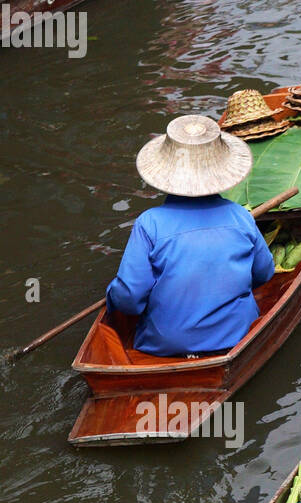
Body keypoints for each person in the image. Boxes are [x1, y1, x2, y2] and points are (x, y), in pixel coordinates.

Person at [106, 115, 275, 356]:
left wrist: (112, 294)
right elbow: (263, 272)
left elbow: (130, 299)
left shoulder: (149, 223)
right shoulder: (240, 216)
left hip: (164, 346)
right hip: (237, 338)